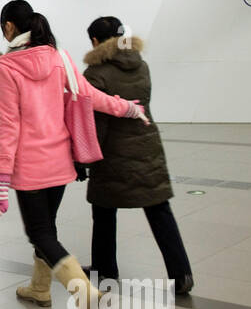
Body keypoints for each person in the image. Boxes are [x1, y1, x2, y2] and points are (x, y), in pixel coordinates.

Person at [0, 0, 148, 309]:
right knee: (46, 227)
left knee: (39, 232)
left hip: (30, 166)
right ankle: (39, 288)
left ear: (9, 27)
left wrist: (1, 176)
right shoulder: (58, 57)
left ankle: (83, 292)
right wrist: (128, 108)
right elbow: (91, 95)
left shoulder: (7, 66)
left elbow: (9, 126)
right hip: (60, 162)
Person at [81, 16, 193, 294]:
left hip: (113, 153)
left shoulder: (96, 74)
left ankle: (105, 270)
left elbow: (98, 124)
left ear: (96, 41)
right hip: (147, 144)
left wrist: (86, 158)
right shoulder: (141, 64)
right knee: (159, 208)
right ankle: (181, 274)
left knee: (104, 211)